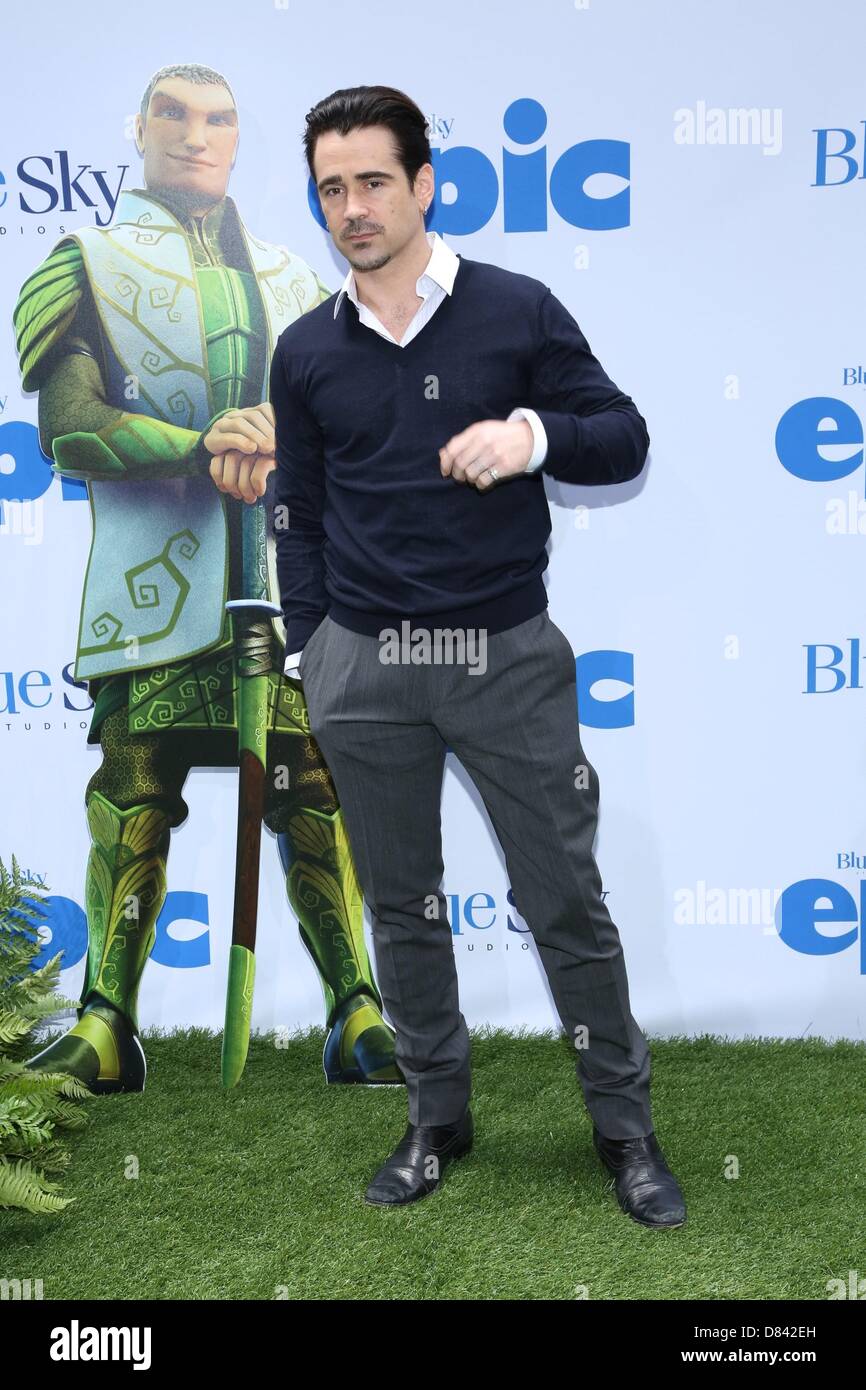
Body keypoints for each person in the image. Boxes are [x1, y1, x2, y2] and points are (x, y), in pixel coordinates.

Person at [271, 84, 686, 1227]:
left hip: (503, 656)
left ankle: (624, 1131)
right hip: (363, 668)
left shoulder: (515, 311)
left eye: (370, 182)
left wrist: (530, 436)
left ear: (422, 186)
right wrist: (312, 651)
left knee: (564, 901)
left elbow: (623, 437)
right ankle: (434, 1118)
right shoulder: (305, 349)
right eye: (330, 189)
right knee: (400, 907)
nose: (351, 207)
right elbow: (295, 508)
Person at [14, 64, 400, 1093]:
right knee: (132, 795)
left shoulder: (298, 280)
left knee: (314, 788)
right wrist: (203, 442)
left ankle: (355, 1008)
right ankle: (107, 1021)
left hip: (290, 586)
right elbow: (71, 429)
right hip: (152, 583)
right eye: (176, 116)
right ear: (139, 128)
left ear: (239, 137)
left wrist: (288, 439)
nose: (197, 135)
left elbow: (358, 433)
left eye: (218, 119)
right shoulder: (82, 261)